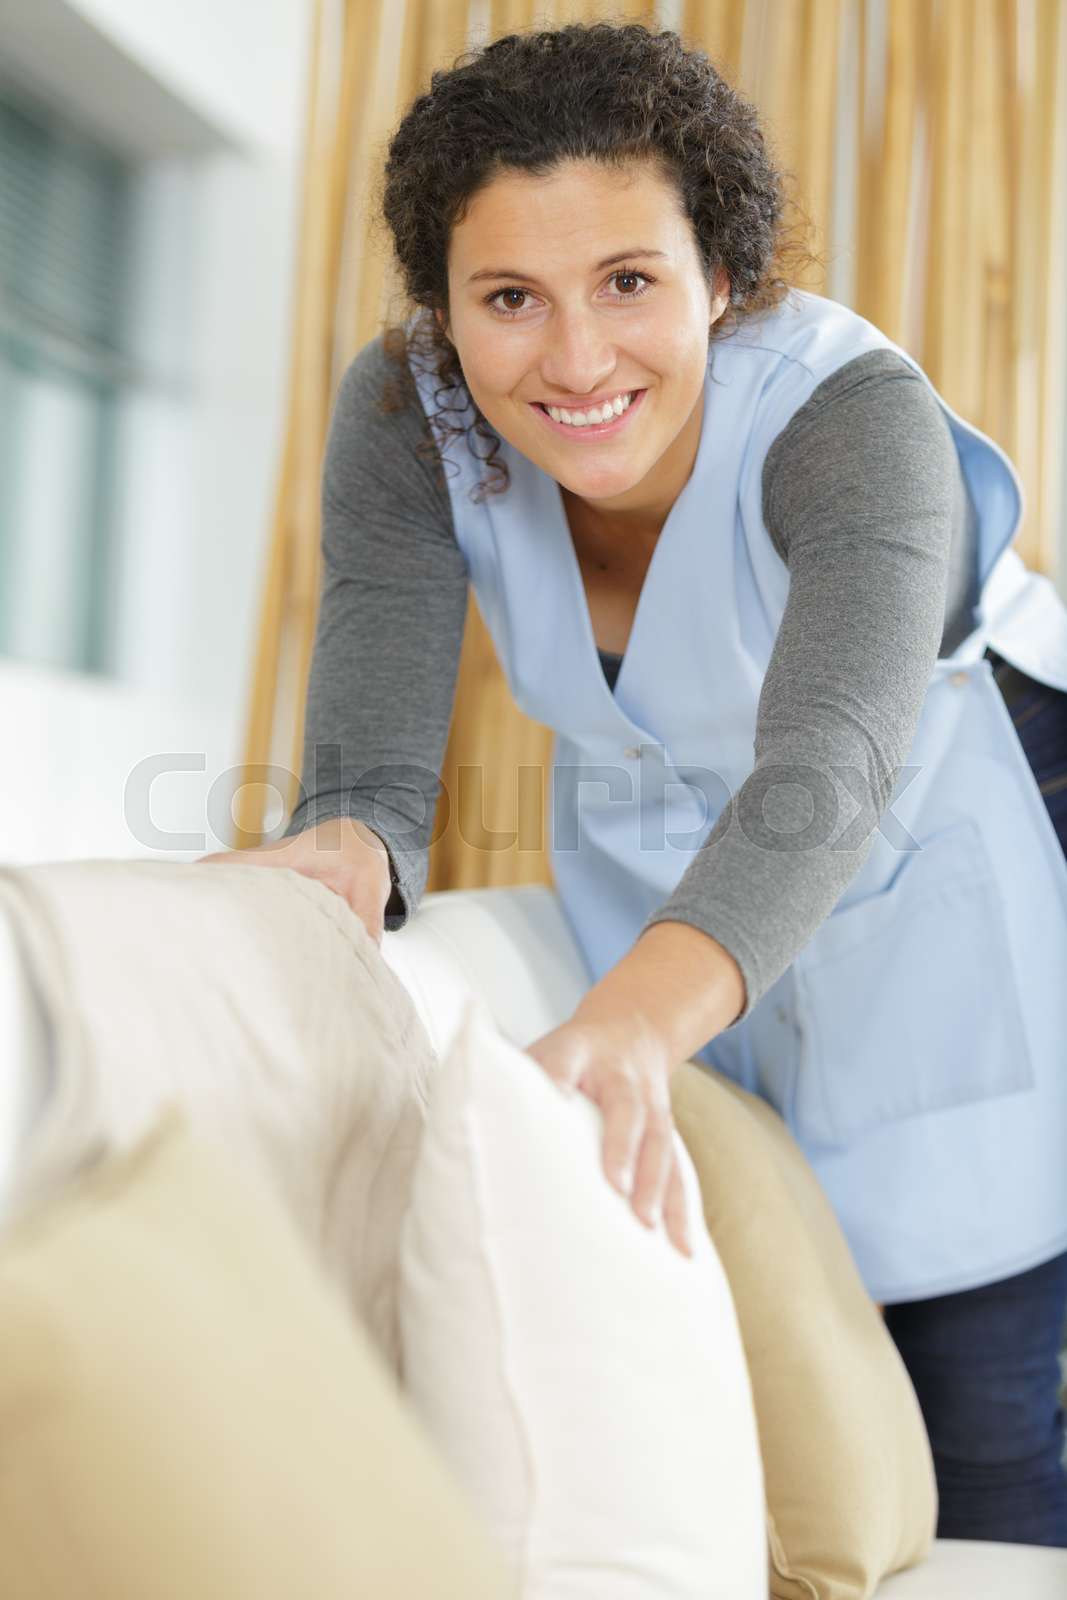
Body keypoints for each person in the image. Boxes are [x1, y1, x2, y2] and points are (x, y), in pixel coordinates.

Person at [200, 22, 1067, 1546]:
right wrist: (333, 854)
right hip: (671, 857)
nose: (577, 359)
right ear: (446, 309)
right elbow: (373, 759)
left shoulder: (846, 424)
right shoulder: (412, 419)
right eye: (510, 300)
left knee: (974, 1393)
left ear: (722, 279)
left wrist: (627, 1026)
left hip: (937, 815)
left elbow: (829, 765)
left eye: (628, 283)